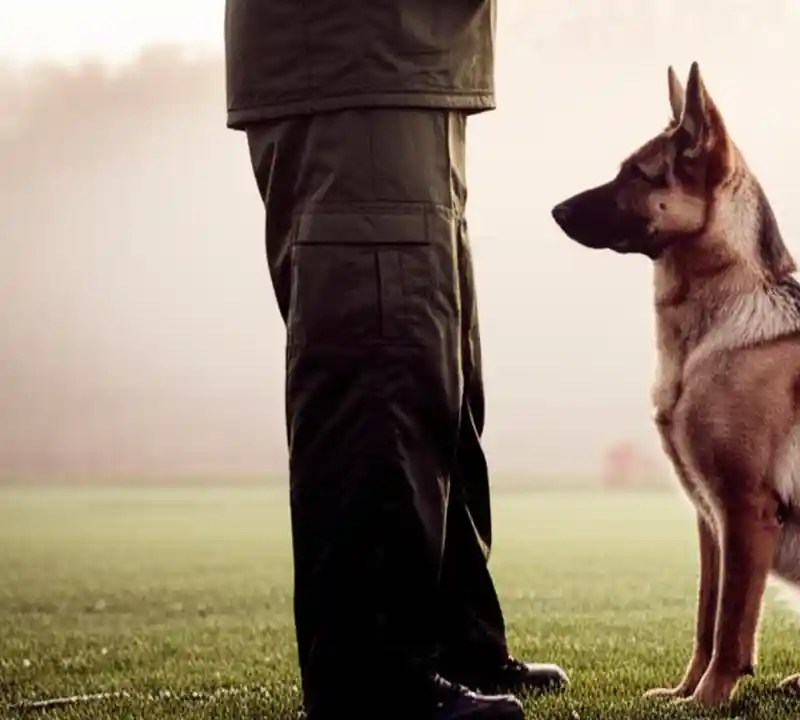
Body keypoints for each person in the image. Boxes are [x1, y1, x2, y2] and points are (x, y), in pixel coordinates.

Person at [223, 2, 567, 718]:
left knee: (436, 375)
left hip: (401, 68)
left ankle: (453, 646)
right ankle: (375, 688)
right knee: (383, 375)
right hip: (361, 66)